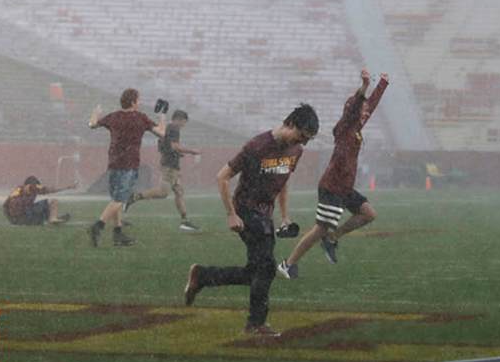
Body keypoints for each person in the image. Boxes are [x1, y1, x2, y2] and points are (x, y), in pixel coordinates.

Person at [183, 104, 318, 338]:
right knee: (266, 267)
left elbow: (283, 180)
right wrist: (231, 214)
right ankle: (256, 324)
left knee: (254, 273)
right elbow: (222, 176)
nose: (303, 143)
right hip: (245, 210)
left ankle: (203, 276)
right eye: (302, 136)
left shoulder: (296, 150)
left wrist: (285, 216)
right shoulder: (257, 146)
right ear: (291, 124)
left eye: (307, 140)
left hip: (265, 213)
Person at [279, 70, 388, 279]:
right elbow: (356, 106)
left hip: (344, 187)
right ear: (353, 111)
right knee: (320, 229)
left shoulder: (357, 126)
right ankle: (288, 264)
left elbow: (369, 106)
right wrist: (364, 86)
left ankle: (332, 238)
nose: (365, 112)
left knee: (368, 214)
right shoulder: (344, 127)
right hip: (332, 186)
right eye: (361, 109)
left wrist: (383, 83)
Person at [86, 89, 165, 247]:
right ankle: (97, 226)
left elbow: (92, 124)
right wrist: (162, 116)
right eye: (138, 100)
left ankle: (118, 233)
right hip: (129, 163)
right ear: (133, 102)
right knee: (120, 200)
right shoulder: (140, 118)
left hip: (114, 162)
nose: (139, 102)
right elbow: (162, 133)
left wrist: (95, 112)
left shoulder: (114, 116)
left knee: (115, 198)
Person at [126, 109, 201, 232]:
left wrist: (174, 154)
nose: (183, 125)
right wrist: (192, 151)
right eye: (184, 122)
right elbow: (174, 146)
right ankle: (134, 197)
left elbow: (162, 146)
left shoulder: (167, 128)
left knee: (179, 192)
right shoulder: (174, 128)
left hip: (171, 164)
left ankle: (185, 221)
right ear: (179, 119)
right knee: (163, 193)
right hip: (170, 166)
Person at [4, 175, 75, 225]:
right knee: (51, 201)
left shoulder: (16, 192)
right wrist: (67, 187)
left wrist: (13, 220)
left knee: (39, 208)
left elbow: (5, 206)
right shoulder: (32, 187)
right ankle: (52, 218)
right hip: (24, 216)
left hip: (17, 219)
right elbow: (50, 189)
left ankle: (52, 217)